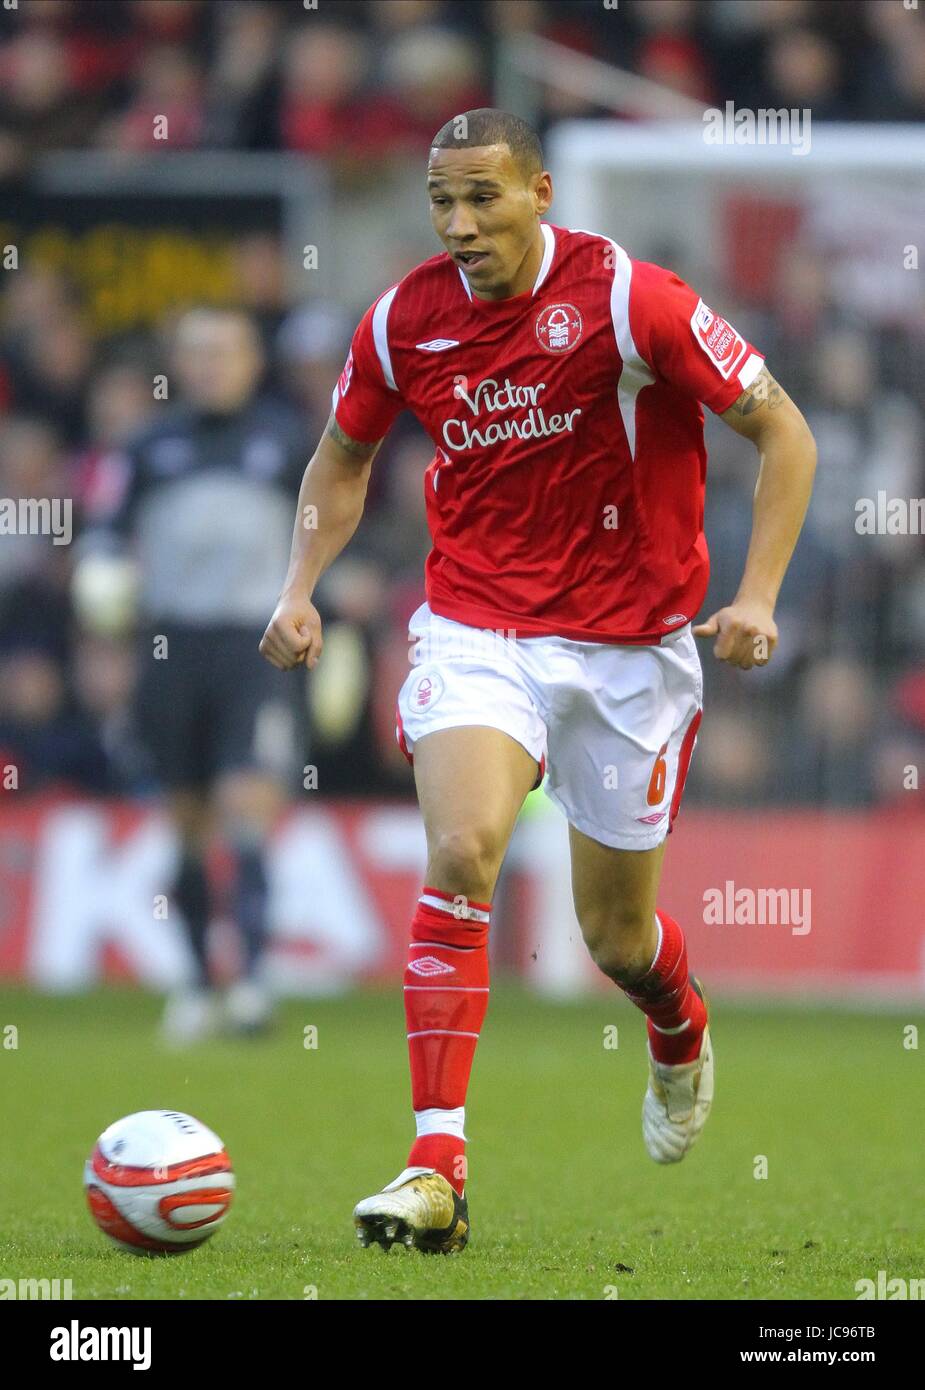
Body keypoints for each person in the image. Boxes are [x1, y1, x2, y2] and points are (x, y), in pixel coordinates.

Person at [260, 109, 817, 1253]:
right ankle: (436, 1162)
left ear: (541, 192)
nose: (459, 224)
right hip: (477, 625)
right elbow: (343, 455)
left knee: (615, 939)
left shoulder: (629, 298)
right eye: (439, 201)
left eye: (482, 198)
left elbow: (785, 433)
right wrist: (300, 581)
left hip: (631, 646)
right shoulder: (401, 320)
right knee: (462, 847)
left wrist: (756, 595)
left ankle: (677, 1022)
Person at [78, 308, 308, 1043]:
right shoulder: (147, 447)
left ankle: (250, 983)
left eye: (225, 350)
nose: (211, 365)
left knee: (248, 803)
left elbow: (330, 530)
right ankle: (195, 980)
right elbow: (105, 536)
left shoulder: (288, 439)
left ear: (250, 359)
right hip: (168, 648)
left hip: (256, 646)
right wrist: (103, 591)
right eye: (198, 352)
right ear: (179, 363)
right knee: (183, 822)